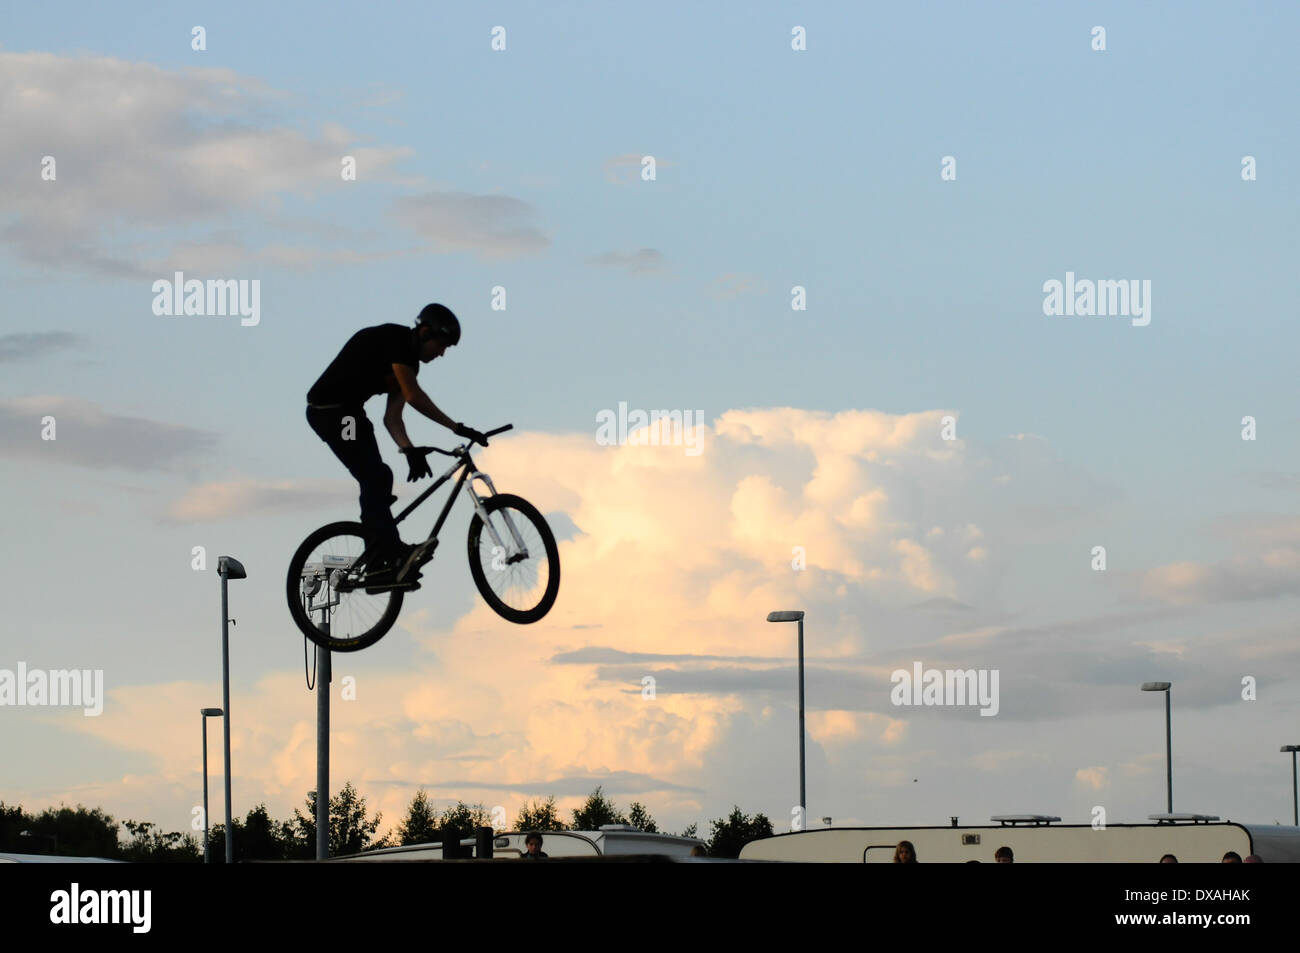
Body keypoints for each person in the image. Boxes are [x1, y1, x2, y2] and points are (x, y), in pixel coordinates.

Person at [305, 304, 487, 582]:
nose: (442, 353)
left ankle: (381, 556)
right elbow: (413, 397)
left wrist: (409, 450)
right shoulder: (397, 342)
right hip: (331, 413)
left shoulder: (410, 364)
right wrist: (457, 428)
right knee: (374, 476)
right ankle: (387, 554)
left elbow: (392, 418)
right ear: (424, 333)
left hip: (350, 414)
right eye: (441, 345)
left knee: (380, 476)